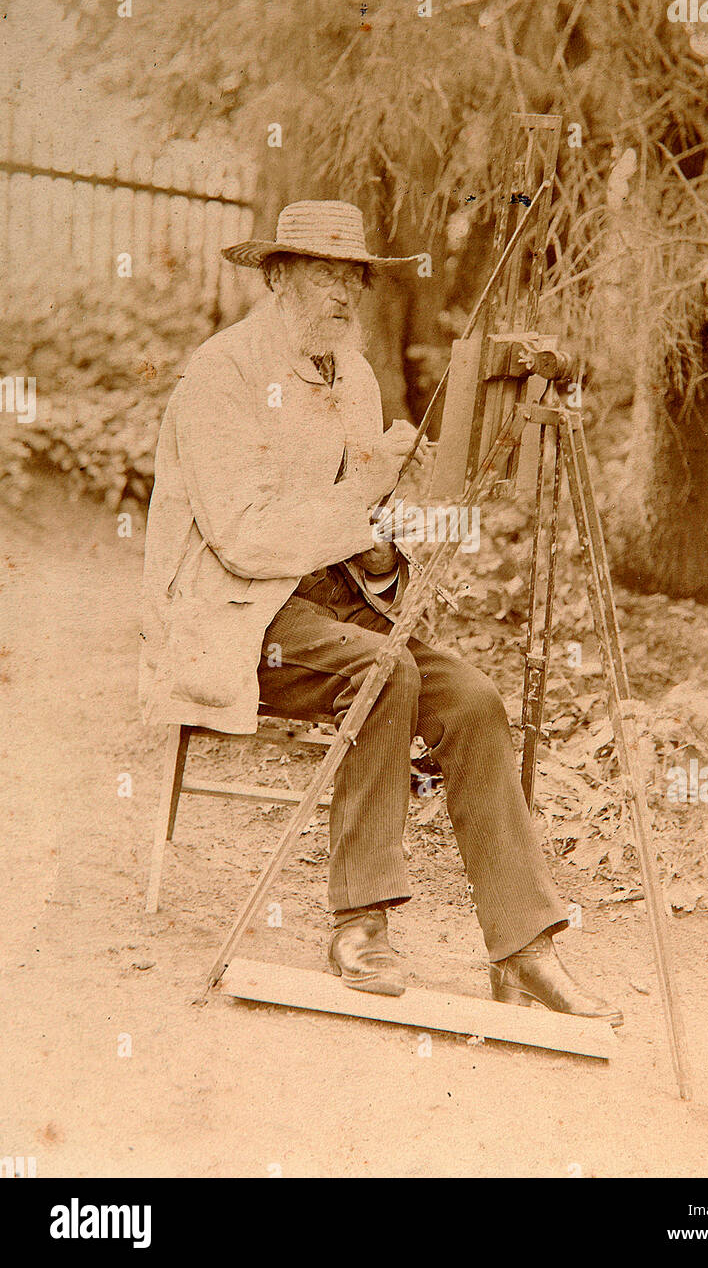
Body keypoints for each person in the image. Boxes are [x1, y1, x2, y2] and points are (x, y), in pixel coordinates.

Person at [140, 199, 621, 1024]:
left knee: (472, 700)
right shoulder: (223, 376)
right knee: (381, 670)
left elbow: (363, 539)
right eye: (324, 275)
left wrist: (386, 542)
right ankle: (360, 925)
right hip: (236, 615)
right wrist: (364, 499)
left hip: (333, 606)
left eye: (354, 278)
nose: (343, 296)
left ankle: (525, 948)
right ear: (278, 275)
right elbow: (244, 541)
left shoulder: (351, 375)